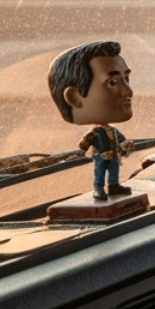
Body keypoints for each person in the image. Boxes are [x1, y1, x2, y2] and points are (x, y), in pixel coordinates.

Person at [48, 40, 136, 201]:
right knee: (100, 172)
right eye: (112, 83)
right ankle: (99, 188)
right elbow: (84, 144)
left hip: (113, 158)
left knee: (113, 171)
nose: (129, 91)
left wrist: (124, 147)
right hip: (102, 157)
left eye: (126, 79)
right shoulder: (96, 133)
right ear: (74, 98)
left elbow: (121, 141)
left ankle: (114, 185)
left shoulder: (113, 132)